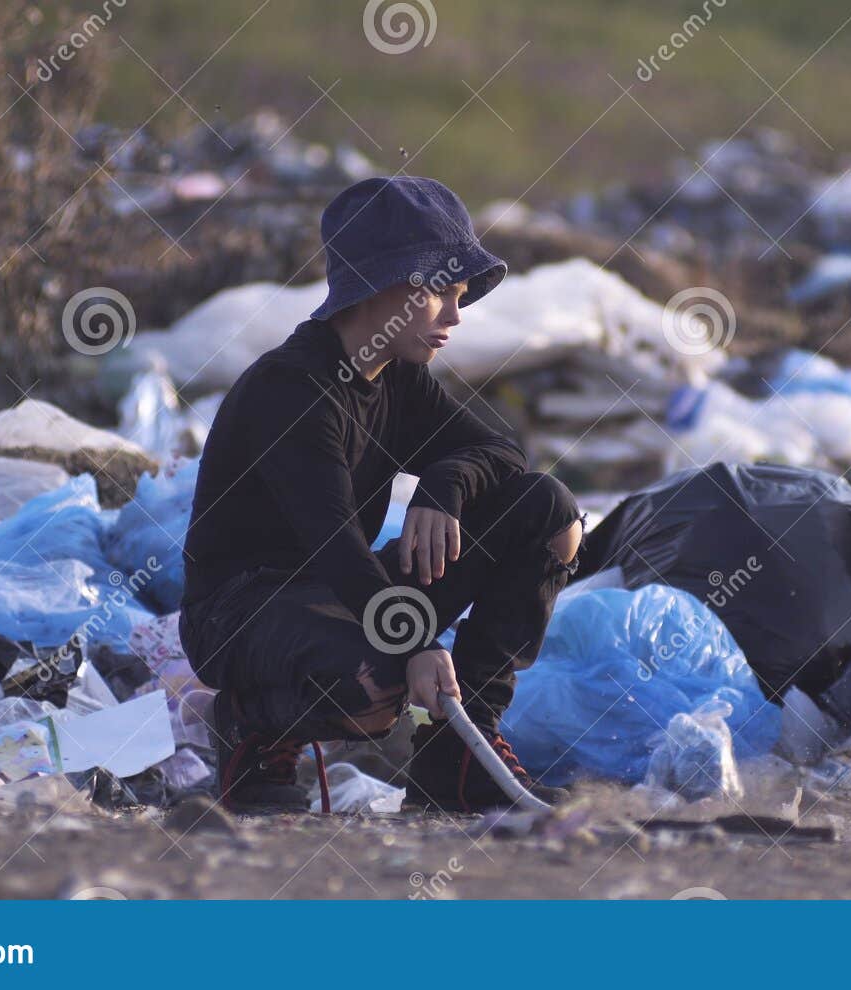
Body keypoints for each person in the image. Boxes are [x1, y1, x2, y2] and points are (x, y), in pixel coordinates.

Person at [179, 176, 583, 815]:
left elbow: (505, 454)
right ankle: (253, 732)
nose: (455, 316)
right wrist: (417, 642)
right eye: (438, 295)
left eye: (459, 296)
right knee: (376, 689)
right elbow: (336, 543)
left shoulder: (398, 375)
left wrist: (443, 486)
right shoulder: (291, 390)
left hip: (339, 596)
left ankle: (457, 756)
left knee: (550, 513)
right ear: (383, 288)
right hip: (242, 609)